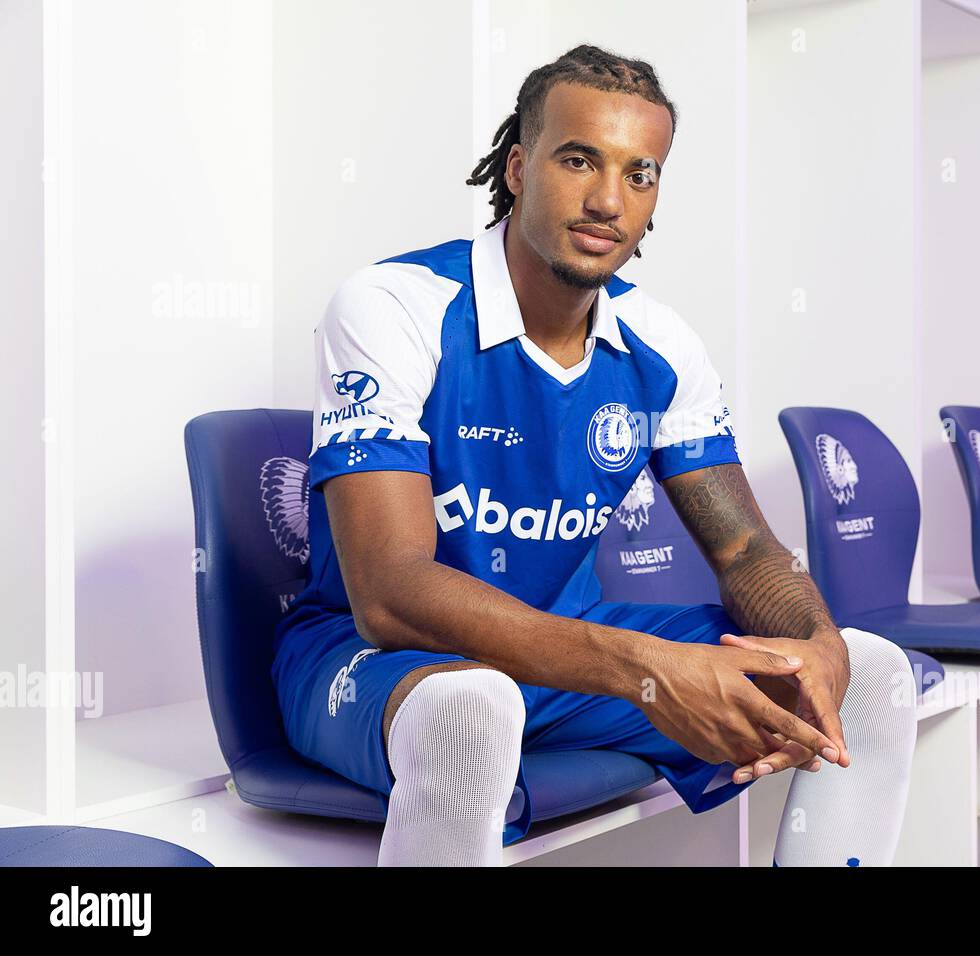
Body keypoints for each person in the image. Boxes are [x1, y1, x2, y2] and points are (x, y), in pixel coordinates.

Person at [271, 43, 917, 867]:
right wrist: (648, 668)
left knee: (866, 675)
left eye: (640, 173)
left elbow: (747, 550)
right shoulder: (395, 306)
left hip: (568, 661)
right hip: (385, 662)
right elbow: (391, 594)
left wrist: (817, 643)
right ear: (516, 166)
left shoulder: (662, 344)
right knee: (474, 706)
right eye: (579, 160)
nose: (609, 200)